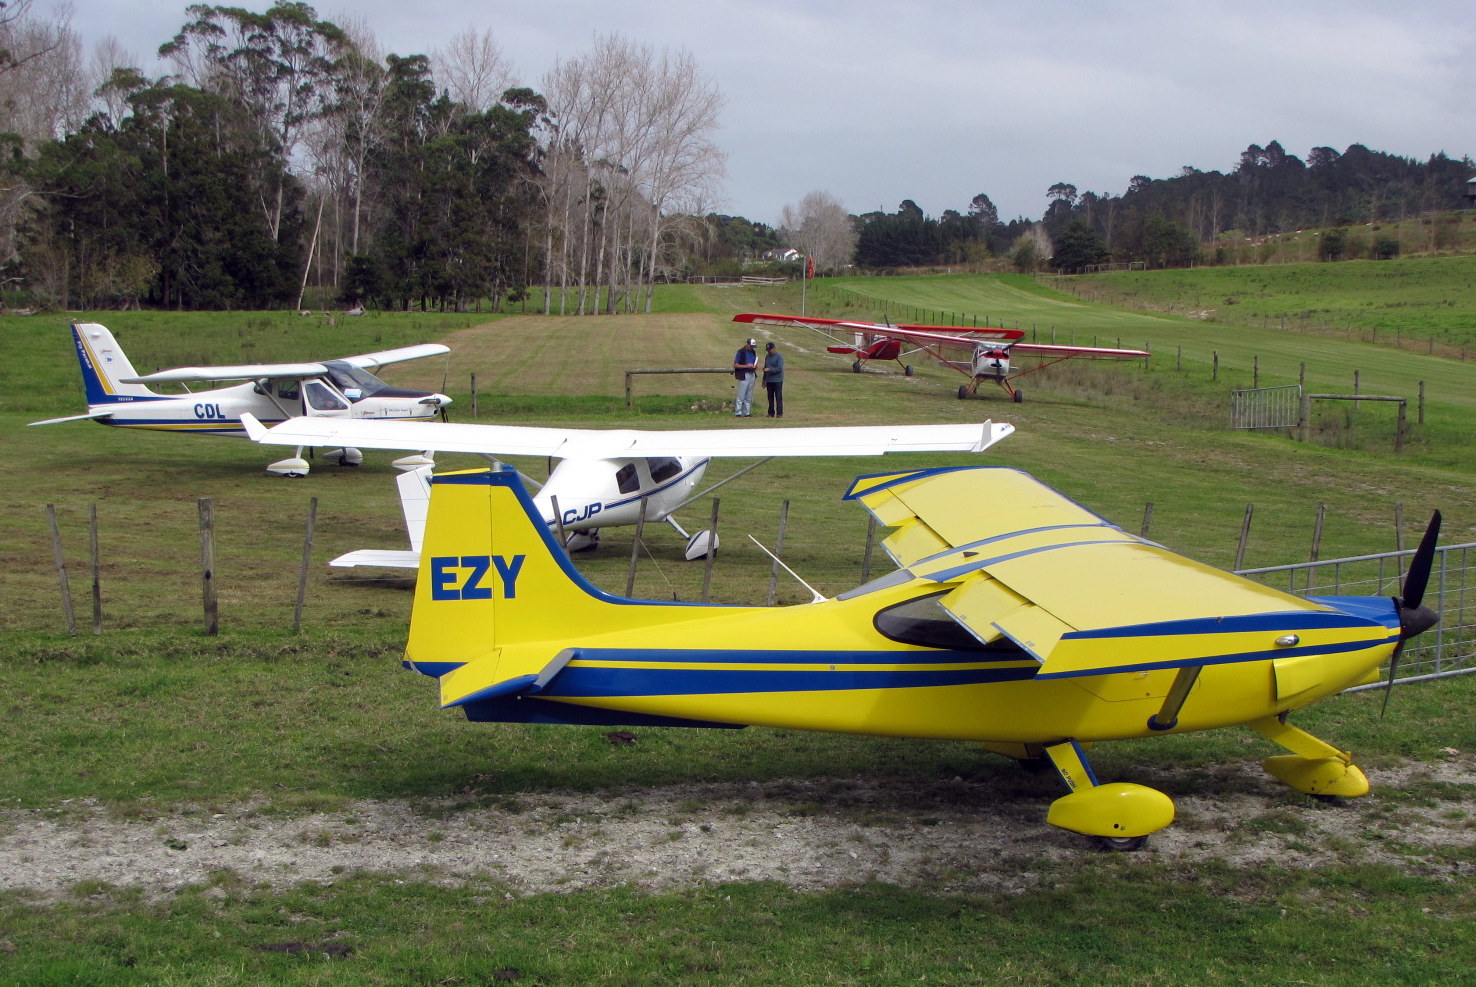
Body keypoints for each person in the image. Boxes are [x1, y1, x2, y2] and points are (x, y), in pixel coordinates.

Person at [732, 337, 758, 416]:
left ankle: (746, 412)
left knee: (749, 395)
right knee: (741, 394)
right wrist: (746, 366)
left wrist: (754, 366)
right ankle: (738, 412)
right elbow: (735, 365)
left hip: (752, 373)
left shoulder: (753, 352)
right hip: (744, 374)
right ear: (747, 345)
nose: (752, 348)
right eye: (751, 346)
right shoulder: (740, 352)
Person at [762, 341, 784, 418]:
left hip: (777, 380)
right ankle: (771, 412)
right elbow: (765, 367)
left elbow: (779, 368)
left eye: (770, 350)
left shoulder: (779, 357)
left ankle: (779, 413)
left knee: (778, 397)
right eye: (768, 350)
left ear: (774, 348)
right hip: (769, 380)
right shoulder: (767, 357)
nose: (769, 351)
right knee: (770, 397)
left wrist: (770, 370)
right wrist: (764, 379)